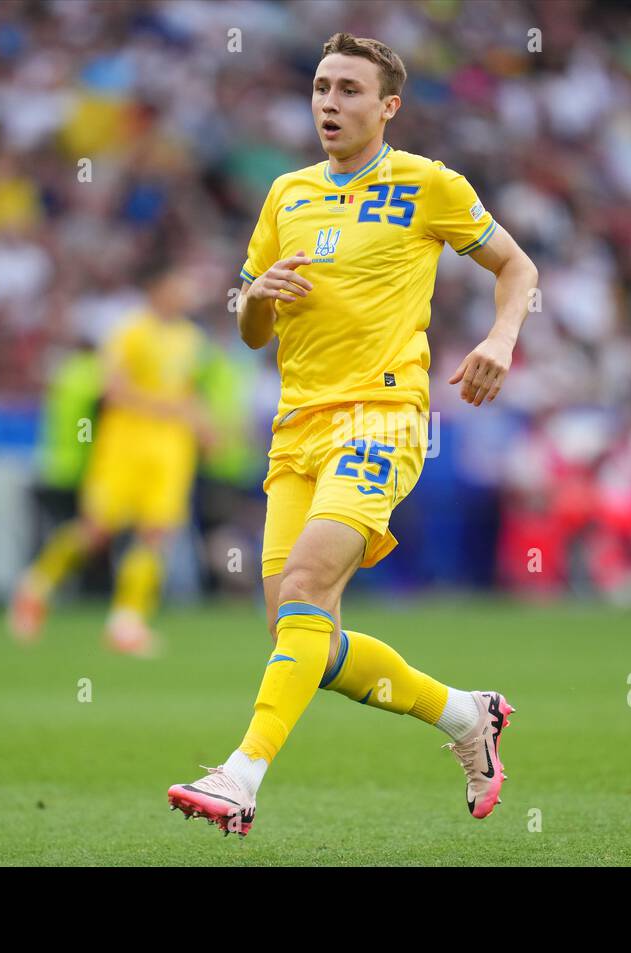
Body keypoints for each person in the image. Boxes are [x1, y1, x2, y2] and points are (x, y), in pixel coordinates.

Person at [166, 32, 538, 835]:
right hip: (296, 427)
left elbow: (519, 268)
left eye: (347, 91)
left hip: (382, 417)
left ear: (387, 106)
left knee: (302, 593)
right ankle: (466, 715)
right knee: (302, 637)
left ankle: (241, 775)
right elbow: (251, 330)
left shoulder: (427, 185)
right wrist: (255, 296)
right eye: (320, 88)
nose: (328, 103)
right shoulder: (286, 193)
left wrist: (500, 339)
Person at [8, 264, 212, 655]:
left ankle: (126, 623)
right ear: (156, 287)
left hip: (171, 451)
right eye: (178, 283)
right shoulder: (129, 330)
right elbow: (113, 390)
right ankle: (35, 586)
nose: (185, 293)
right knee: (97, 530)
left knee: (157, 533)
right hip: (124, 446)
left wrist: (203, 426)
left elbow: (186, 392)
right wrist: (169, 408)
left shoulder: (190, 338)